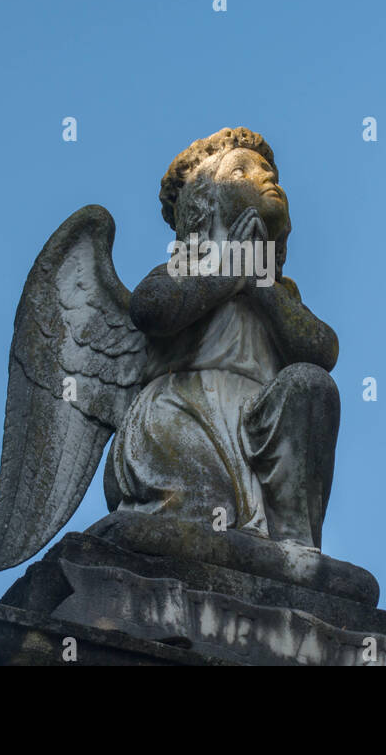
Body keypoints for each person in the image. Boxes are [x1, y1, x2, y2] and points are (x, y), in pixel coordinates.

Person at [105, 128, 340, 549]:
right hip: (183, 414)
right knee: (193, 530)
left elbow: (322, 349)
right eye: (241, 171)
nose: (267, 177)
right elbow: (151, 309)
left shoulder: (279, 293)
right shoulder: (182, 269)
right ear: (205, 201)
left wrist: (260, 284)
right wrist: (230, 270)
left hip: (258, 424)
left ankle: (294, 549)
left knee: (311, 383)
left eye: (269, 171)